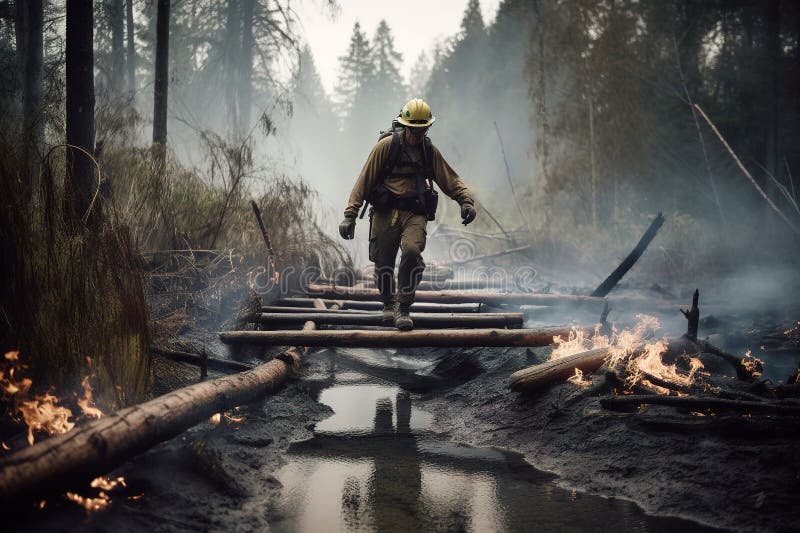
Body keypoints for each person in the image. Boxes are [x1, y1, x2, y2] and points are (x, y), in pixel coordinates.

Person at [339, 98, 476, 331]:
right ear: (405, 126)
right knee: (383, 261)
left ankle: (403, 307)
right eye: (414, 130)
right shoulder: (386, 147)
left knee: (412, 252)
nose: (418, 135)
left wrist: (465, 201)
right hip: (385, 211)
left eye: (423, 130)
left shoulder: (428, 151)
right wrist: (350, 215)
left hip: (414, 212)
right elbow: (364, 180)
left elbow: (449, 178)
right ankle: (387, 304)